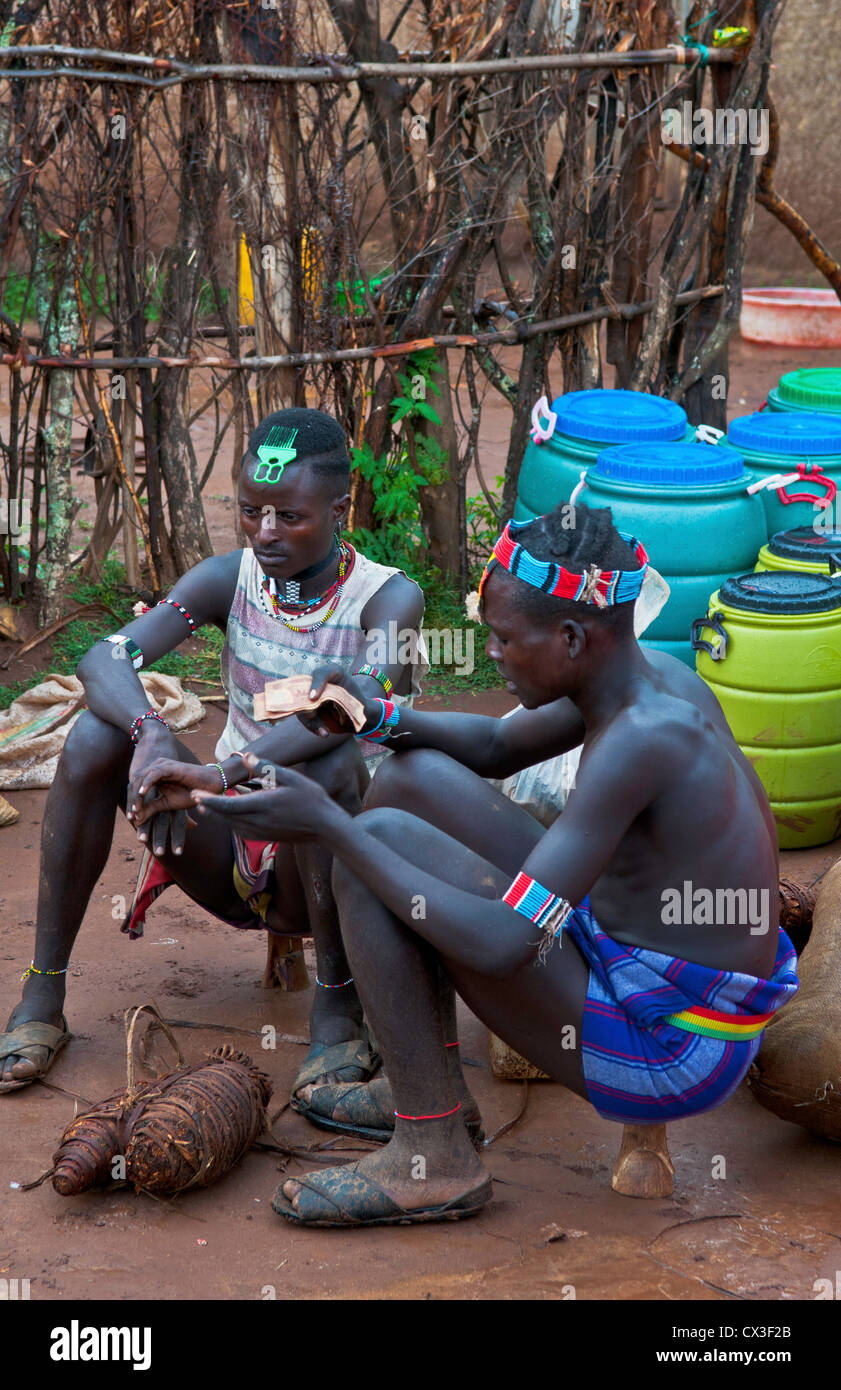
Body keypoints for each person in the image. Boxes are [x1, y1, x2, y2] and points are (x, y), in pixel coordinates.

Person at [191, 502, 799, 1228]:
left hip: (672, 1047)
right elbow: (493, 750)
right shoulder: (644, 677)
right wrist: (371, 714)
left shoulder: (641, 740)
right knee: (411, 780)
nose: (493, 656)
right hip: (635, 961)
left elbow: (508, 942)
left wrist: (329, 828)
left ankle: (435, 1152)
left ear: (572, 638)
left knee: (368, 850)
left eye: (506, 640)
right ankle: (427, 1081)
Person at [0, 408, 427, 1109]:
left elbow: (347, 706)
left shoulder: (389, 599)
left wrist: (221, 771)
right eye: (251, 511)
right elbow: (104, 655)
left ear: (340, 508)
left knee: (324, 762)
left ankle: (337, 1008)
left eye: (289, 516)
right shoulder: (229, 579)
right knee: (91, 737)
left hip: (341, 859)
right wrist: (148, 731)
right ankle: (43, 990)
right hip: (224, 840)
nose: (264, 533)